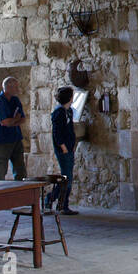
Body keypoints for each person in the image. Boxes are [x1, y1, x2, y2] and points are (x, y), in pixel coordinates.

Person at [0, 76, 27, 180]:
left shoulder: (15, 100)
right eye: (16, 87)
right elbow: (4, 122)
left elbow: (22, 119)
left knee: (20, 169)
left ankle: (20, 193)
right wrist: (14, 120)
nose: (18, 89)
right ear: (8, 87)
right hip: (2, 139)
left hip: (16, 137)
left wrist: (12, 121)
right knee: (1, 170)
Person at [49, 86, 77, 214]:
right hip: (63, 149)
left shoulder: (69, 111)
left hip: (69, 147)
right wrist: (63, 147)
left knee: (67, 177)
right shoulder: (59, 113)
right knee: (67, 178)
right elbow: (57, 132)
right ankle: (59, 202)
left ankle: (57, 201)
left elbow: (70, 129)